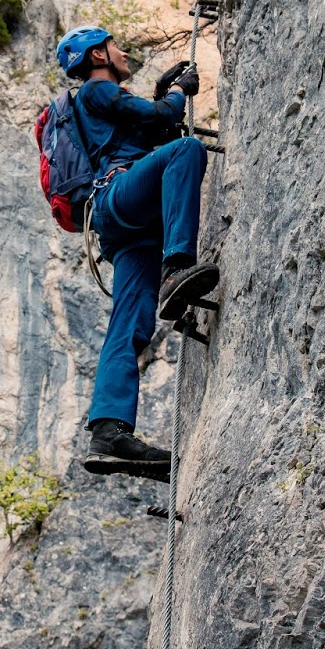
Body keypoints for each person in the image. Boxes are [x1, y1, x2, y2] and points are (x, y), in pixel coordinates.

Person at [55, 24, 220, 468]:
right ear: (97, 57)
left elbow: (145, 134)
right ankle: (176, 268)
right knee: (187, 151)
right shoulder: (95, 90)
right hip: (118, 197)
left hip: (123, 227)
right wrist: (178, 95)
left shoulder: (101, 106)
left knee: (127, 325)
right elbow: (156, 121)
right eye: (115, 47)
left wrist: (164, 94)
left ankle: (108, 433)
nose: (123, 52)